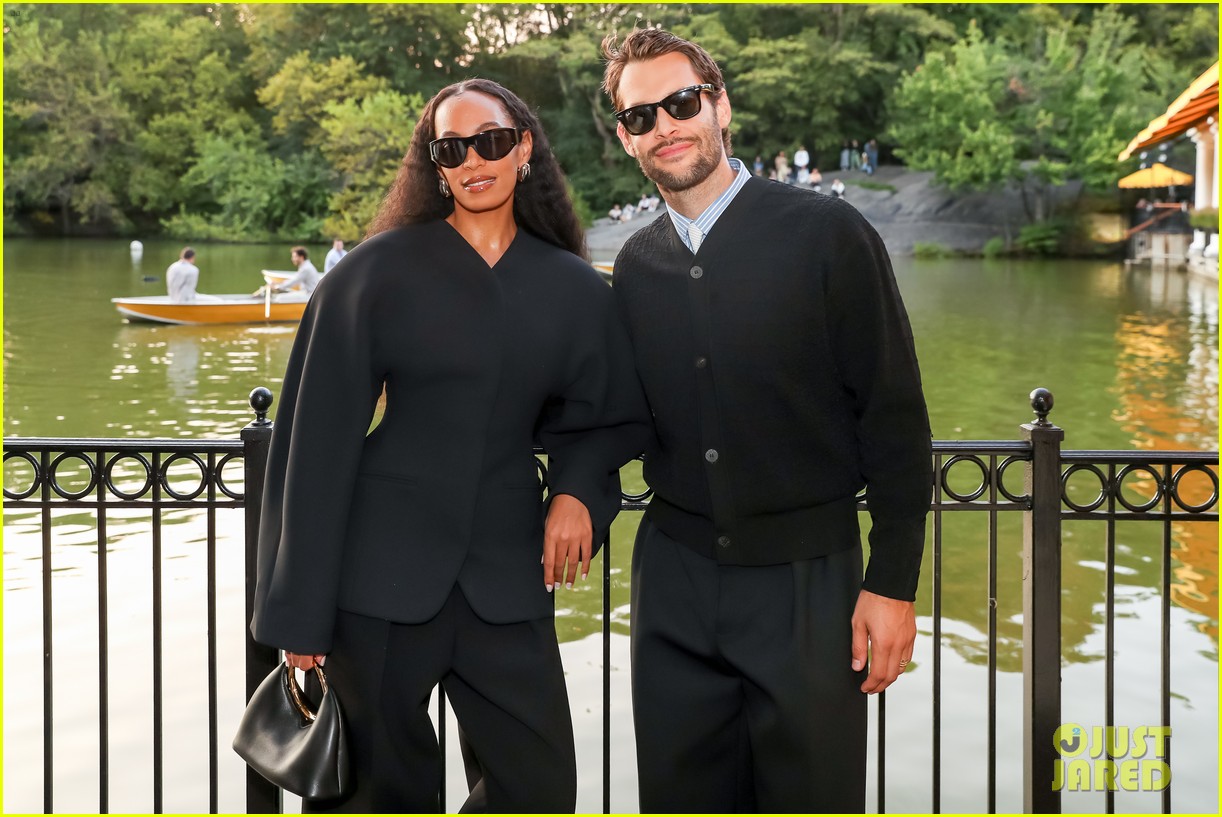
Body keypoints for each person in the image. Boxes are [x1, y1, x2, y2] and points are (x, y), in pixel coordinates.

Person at [251, 77, 650, 813]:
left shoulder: (575, 290)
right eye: (452, 147)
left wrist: (576, 490)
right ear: (435, 165)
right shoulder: (372, 275)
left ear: (523, 147)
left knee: (538, 790)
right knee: (375, 795)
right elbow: (314, 445)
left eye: (491, 141)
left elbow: (605, 421)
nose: (474, 160)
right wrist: (299, 615)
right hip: (375, 582)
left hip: (507, 576)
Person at [601, 28, 931, 812]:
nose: (666, 125)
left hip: (808, 588)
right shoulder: (634, 268)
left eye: (681, 102)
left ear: (721, 106)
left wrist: (891, 583)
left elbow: (894, 416)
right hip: (673, 586)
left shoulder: (828, 235)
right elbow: (613, 417)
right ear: (626, 138)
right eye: (642, 116)